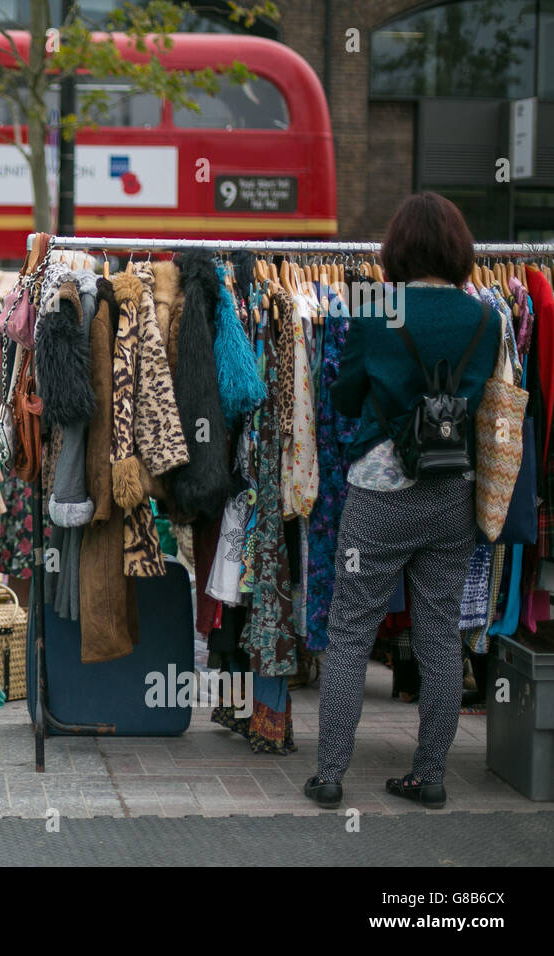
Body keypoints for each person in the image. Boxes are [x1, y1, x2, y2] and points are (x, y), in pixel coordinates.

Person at [305, 192, 500, 811]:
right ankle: (430, 776)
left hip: (379, 495)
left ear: (398, 250)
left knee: (351, 628)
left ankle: (331, 775)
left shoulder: (375, 306)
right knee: (440, 633)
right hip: (452, 494)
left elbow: (344, 392)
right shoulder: (487, 318)